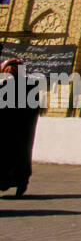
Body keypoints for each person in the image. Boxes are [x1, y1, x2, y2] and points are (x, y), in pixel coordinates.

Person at [0, 58, 40, 198]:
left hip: (9, 130)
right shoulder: (31, 85)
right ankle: (20, 182)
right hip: (24, 131)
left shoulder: (6, 85)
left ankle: (9, 180)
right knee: (22, 154)